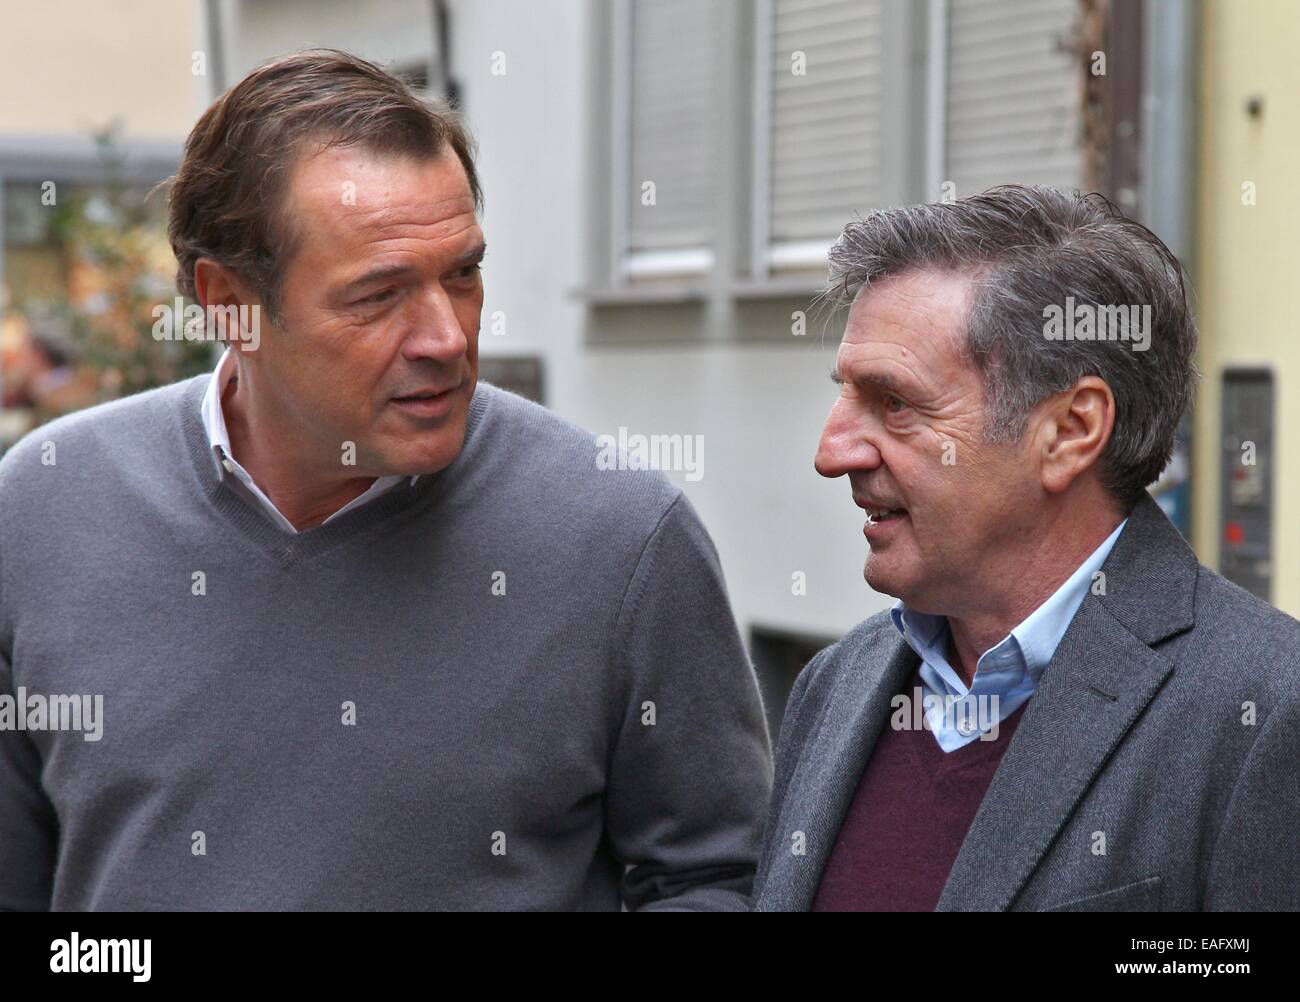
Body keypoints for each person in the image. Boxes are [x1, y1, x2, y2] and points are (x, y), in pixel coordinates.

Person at [0, 49, 771, 911]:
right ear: (229, 304)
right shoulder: (43, 507)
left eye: (464, 274)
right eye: (379, 295)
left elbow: (714, 878)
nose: (445, 335)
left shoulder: (621, 537)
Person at [752, 185, 1299, 911]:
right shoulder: (835, 686)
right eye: (845, 396)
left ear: (1071, 431)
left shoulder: (1264, 713)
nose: (832, 451)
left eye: (895, 403)